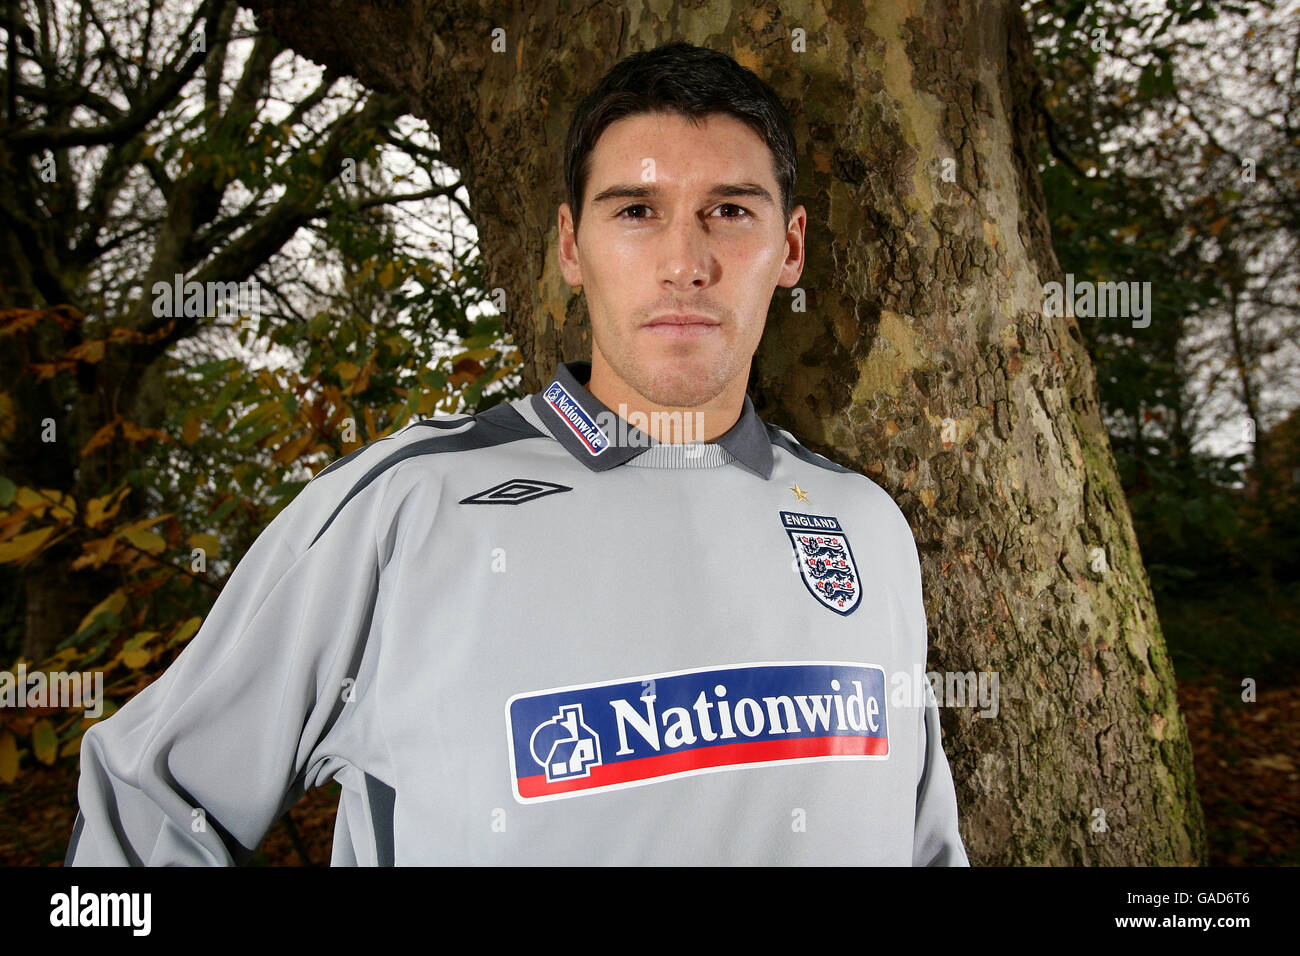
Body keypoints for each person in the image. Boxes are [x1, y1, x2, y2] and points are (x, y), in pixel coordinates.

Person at [65, 41, 969, 866]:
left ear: (790, 247)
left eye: (730, 210)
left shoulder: (864, 525)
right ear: (573, 248)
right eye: (637, 211)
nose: (685, 262)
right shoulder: (409, 507)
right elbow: (144, 810)